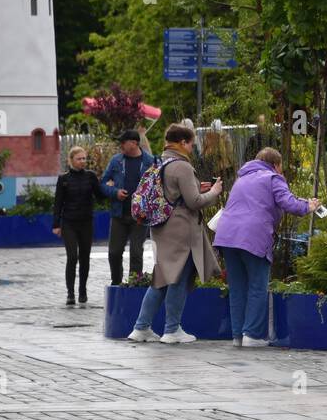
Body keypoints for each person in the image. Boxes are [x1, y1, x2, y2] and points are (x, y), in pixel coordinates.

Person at [212, 147, 318, 347]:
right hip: (253, 236)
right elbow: (288, 203)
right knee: (257, 286)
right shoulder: (273, 178)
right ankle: (252, 335)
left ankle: (237, 336)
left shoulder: (241, 178)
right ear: (276, 165)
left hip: (226, 236)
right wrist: (308, 206)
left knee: (237, 288)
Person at [128, 124, 222, 344]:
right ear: (182, 143)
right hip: (182, 230)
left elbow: (174, 193)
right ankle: (172, 330)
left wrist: (199, 188)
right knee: (179, 278)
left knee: (161, 278)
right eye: (191, 144)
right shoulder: (182, 166)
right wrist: (215, 193)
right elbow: (194, 202)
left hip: (162, 228)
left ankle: (141, 327)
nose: (192, 148)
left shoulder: (159, 162)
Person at [100, 130, 154, 285]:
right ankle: (116, 282)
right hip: (119, 214)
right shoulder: (116, 161)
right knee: (114, 252)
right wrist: (115, 192)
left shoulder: (150, 161)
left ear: (134, 143)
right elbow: (102, 183)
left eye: (124, 142)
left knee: (137, 253)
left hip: (140, 217)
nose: (121, 145)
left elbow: (157, 187)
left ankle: (134, 284)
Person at [53, 146, 99, 306]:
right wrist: (56, 224)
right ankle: (70, 293)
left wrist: (109, 186)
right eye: (79, 159)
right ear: (71, 160)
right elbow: (58, 202)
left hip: (86, 222)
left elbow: (100, 195)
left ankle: (83, 290)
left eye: (84, 158)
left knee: (85, 257)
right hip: (69, 223)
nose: (82, 161)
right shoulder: (64, 179)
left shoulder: (91, 177)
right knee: (72, 257)